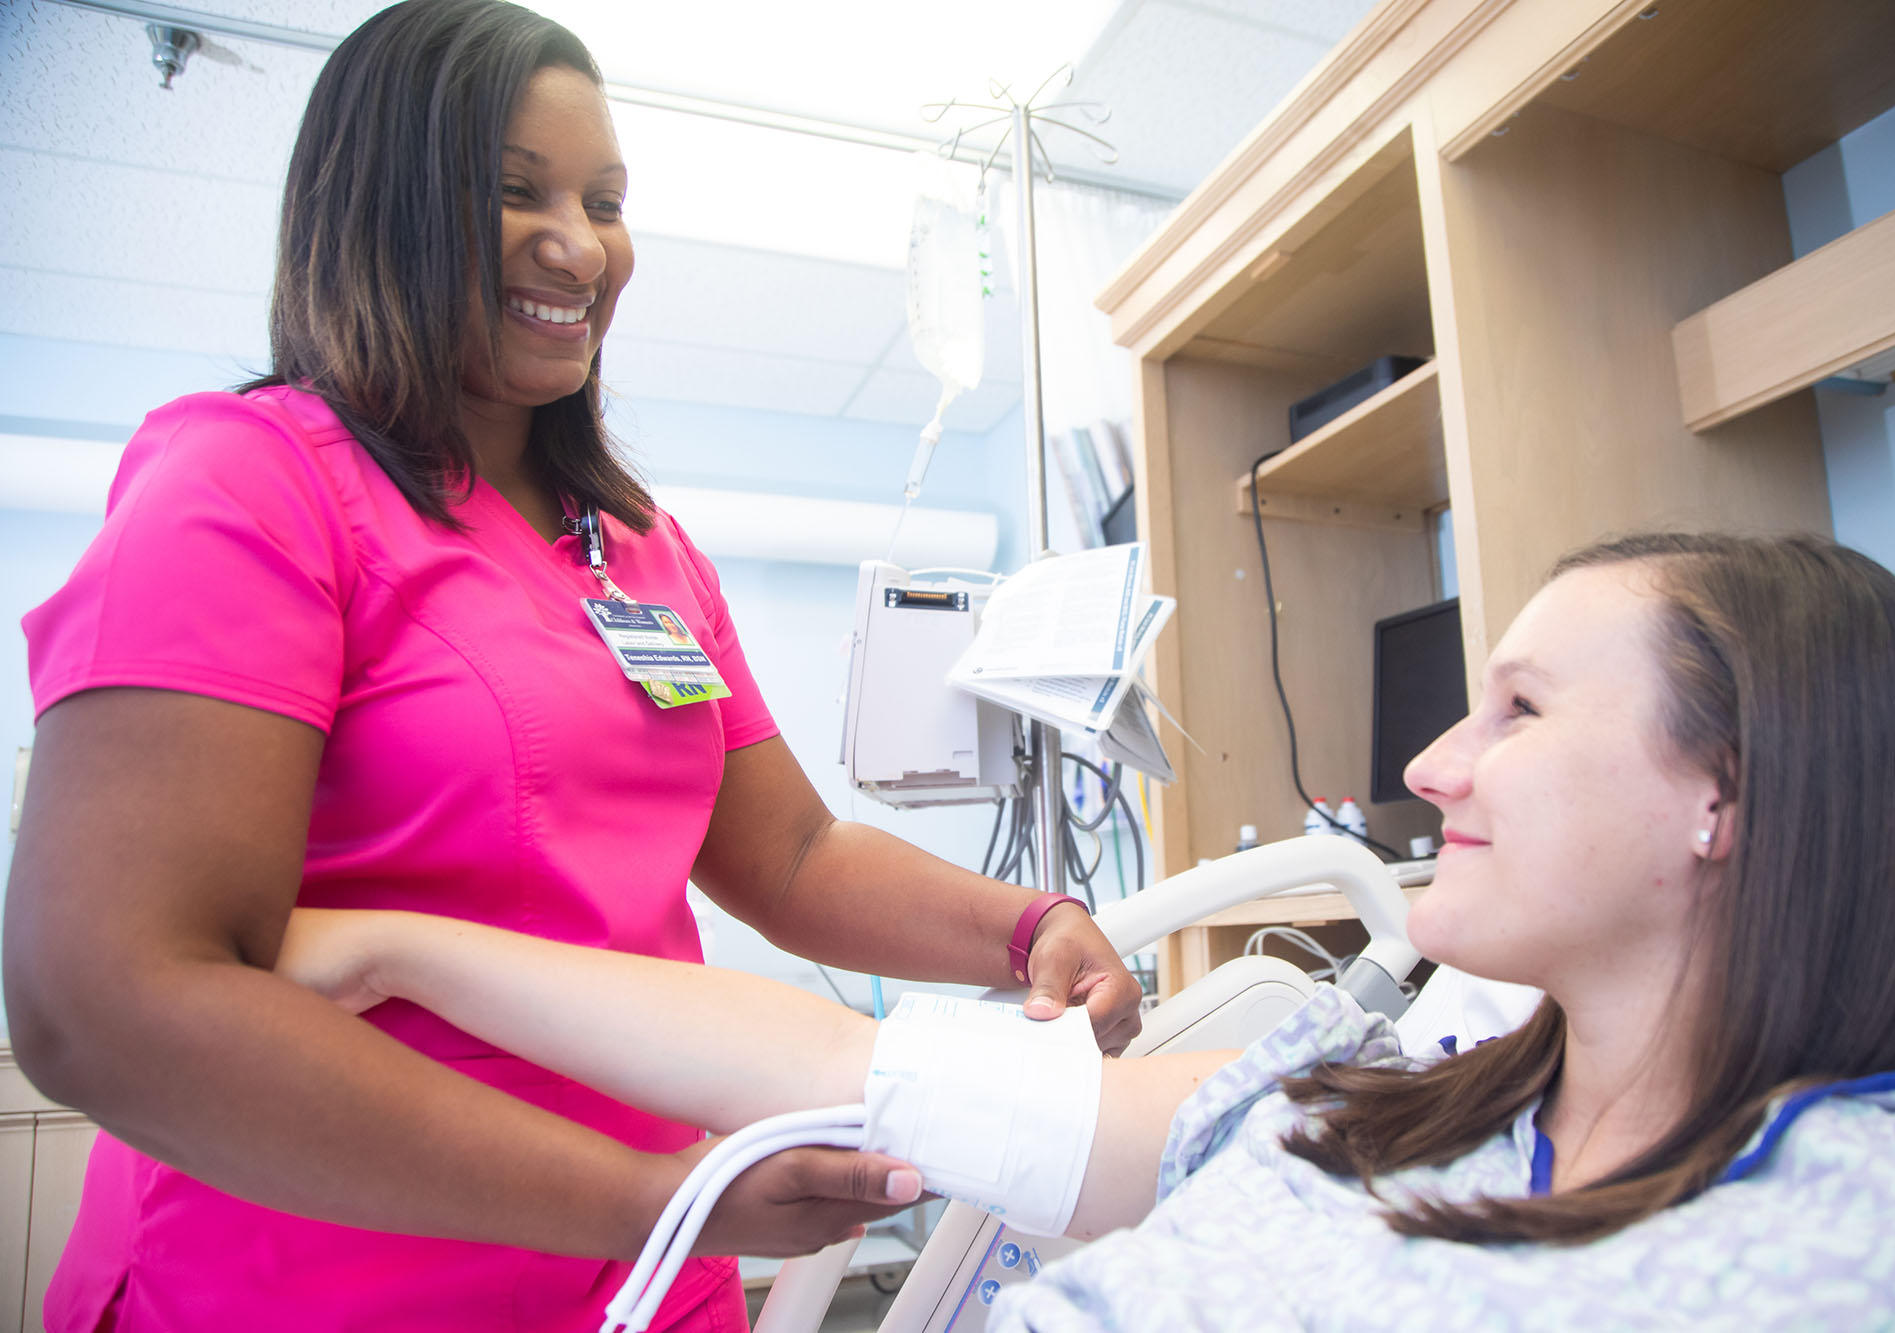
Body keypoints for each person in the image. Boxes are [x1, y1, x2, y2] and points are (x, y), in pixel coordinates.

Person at [2, 3, 1139, 1331]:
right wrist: (649, 1194)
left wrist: (1025, 924)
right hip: (324, 1279)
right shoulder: (252, 485)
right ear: (386, 209)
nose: (580, 243)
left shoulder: (645, 553)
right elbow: (106, 1001)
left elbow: (792, 860)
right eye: (514, 192)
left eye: (604, 199)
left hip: (651, 1279)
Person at [275, 532, 1895, 1328]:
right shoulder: (1398, 1076)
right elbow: (855, 1063)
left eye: (1524, 708)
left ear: (1730, 799)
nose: (1428, 760)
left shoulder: (1891, 1234)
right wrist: (405, 951)